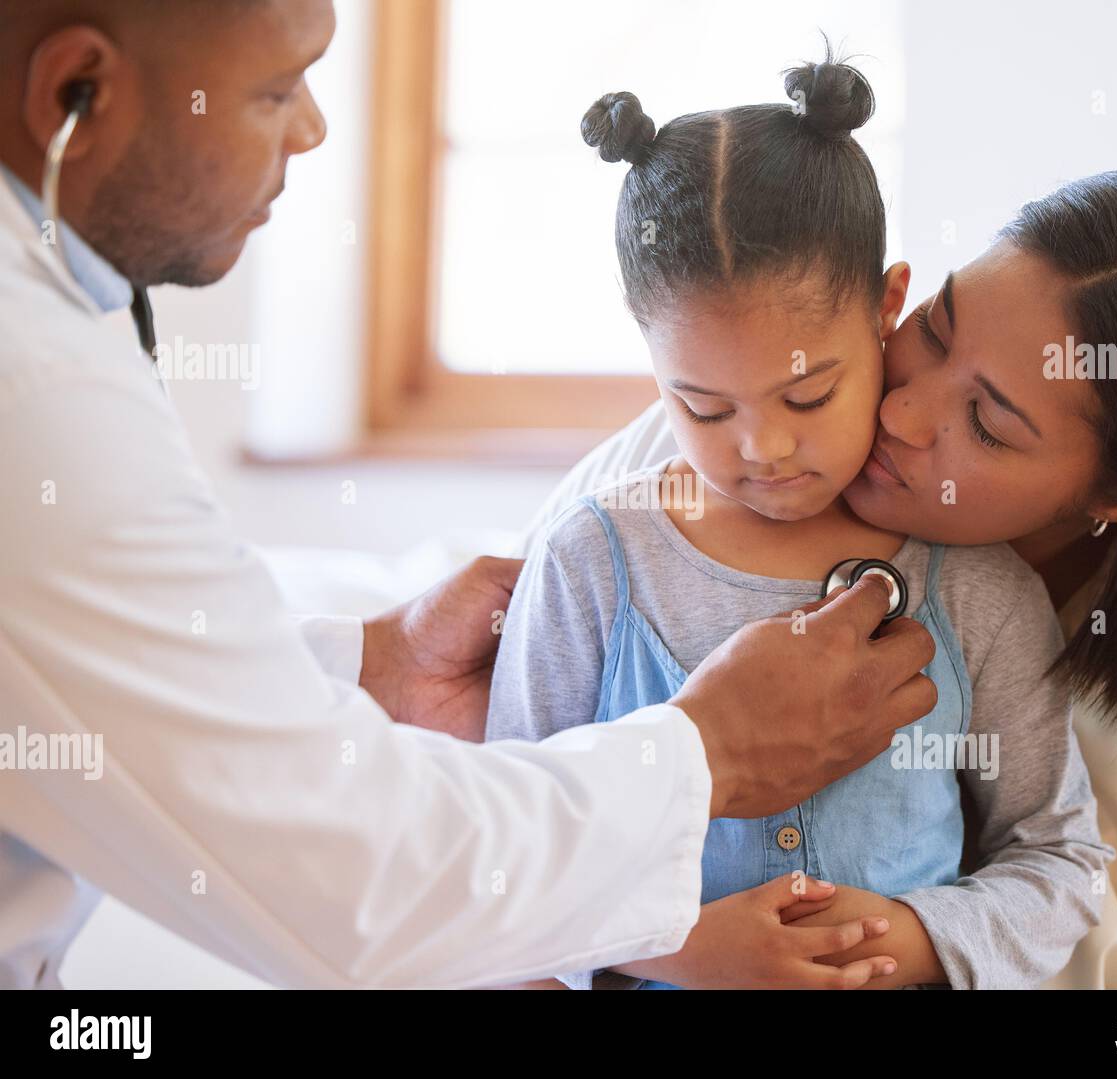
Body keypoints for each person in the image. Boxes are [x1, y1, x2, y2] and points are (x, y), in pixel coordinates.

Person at [0, 0, 939, 989]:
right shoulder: (34, 389)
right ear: (77, 91)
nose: (314, 127)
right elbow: (356, 891)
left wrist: (371, 664)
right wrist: (705, 752)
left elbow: (108, 659)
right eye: (274, 90)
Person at [523, 168, 1117, 988]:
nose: (900, 412)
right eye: (934, 328)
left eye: (988, 423)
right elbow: (485, 843)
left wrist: (891, 945)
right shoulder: (724, 449)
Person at [487, 58, 1114, 990]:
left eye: (810, 393)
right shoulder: (590, 562)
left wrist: (907, 937)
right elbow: (498, 853)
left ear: (887, 305)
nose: (765, 446)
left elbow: (1060, 861)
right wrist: (673, 945)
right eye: (702, 408)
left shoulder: (971, 587)